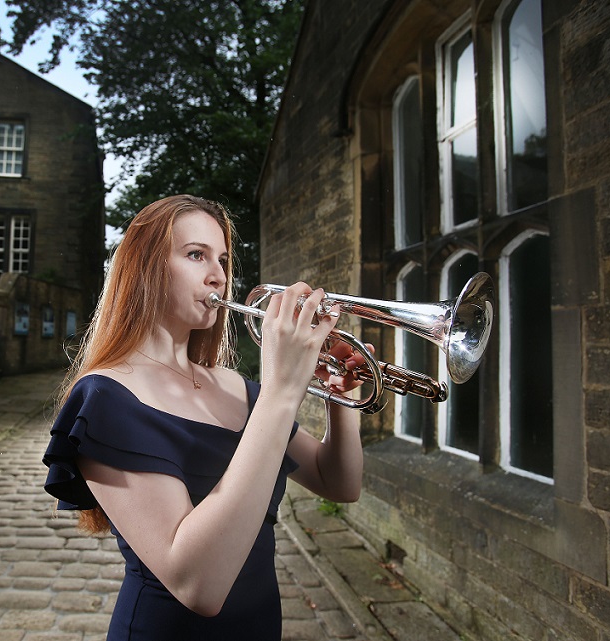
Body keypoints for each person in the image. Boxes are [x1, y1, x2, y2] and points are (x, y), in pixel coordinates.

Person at [43, 195, 367, 640]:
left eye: (223, 260)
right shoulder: (104, 397)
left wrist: (340, 398)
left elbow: (339, 483)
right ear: (146, 268)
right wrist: (282, 390)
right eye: (196, 255)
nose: (218, 275)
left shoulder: (235, 386)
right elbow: (199, 586)